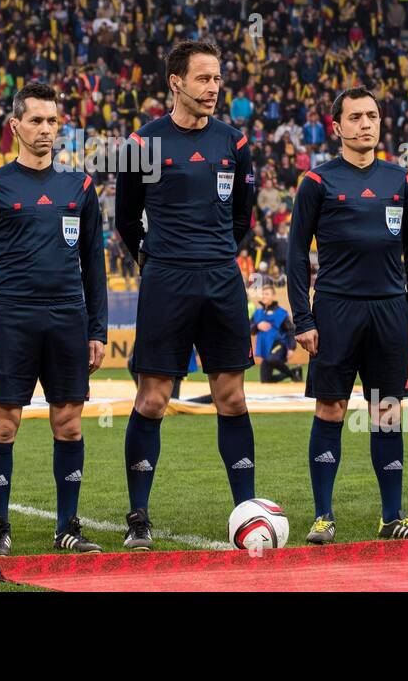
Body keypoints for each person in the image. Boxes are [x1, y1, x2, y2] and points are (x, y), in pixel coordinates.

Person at [114, 39, 257, 550]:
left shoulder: (234, 143)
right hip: (166, 281)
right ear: (176, 83)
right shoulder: (143, 143)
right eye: (203, 78)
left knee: (232, 396)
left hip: (221, 280)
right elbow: (126, 219)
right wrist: (158, 262)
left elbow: (243, 217)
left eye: (218, 78)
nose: (214, 88)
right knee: (153, 399)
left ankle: (248, 511)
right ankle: (138, 517)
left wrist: (215, 253)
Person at [0, 82, 108, 556]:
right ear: (15, 127)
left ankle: (67, 526)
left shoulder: (80, 186)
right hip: (12, 318)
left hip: (69, 317)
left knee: (68, 425)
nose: (46, 130)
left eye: (52, 122)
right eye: (36, 121)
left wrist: (98, 329)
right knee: (4, 426)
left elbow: (94, 265)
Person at [288, 86, 408, 545]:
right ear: (337, 128)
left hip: (390, 310)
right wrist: (303, 318)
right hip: (335, 309)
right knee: (330, 409)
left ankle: (393, 516)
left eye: (371, 115)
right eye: (354, 117)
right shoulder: (317, 182)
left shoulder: (401, 180)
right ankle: (323, 516)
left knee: (386, 413)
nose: (365, 124)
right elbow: (295, 253)